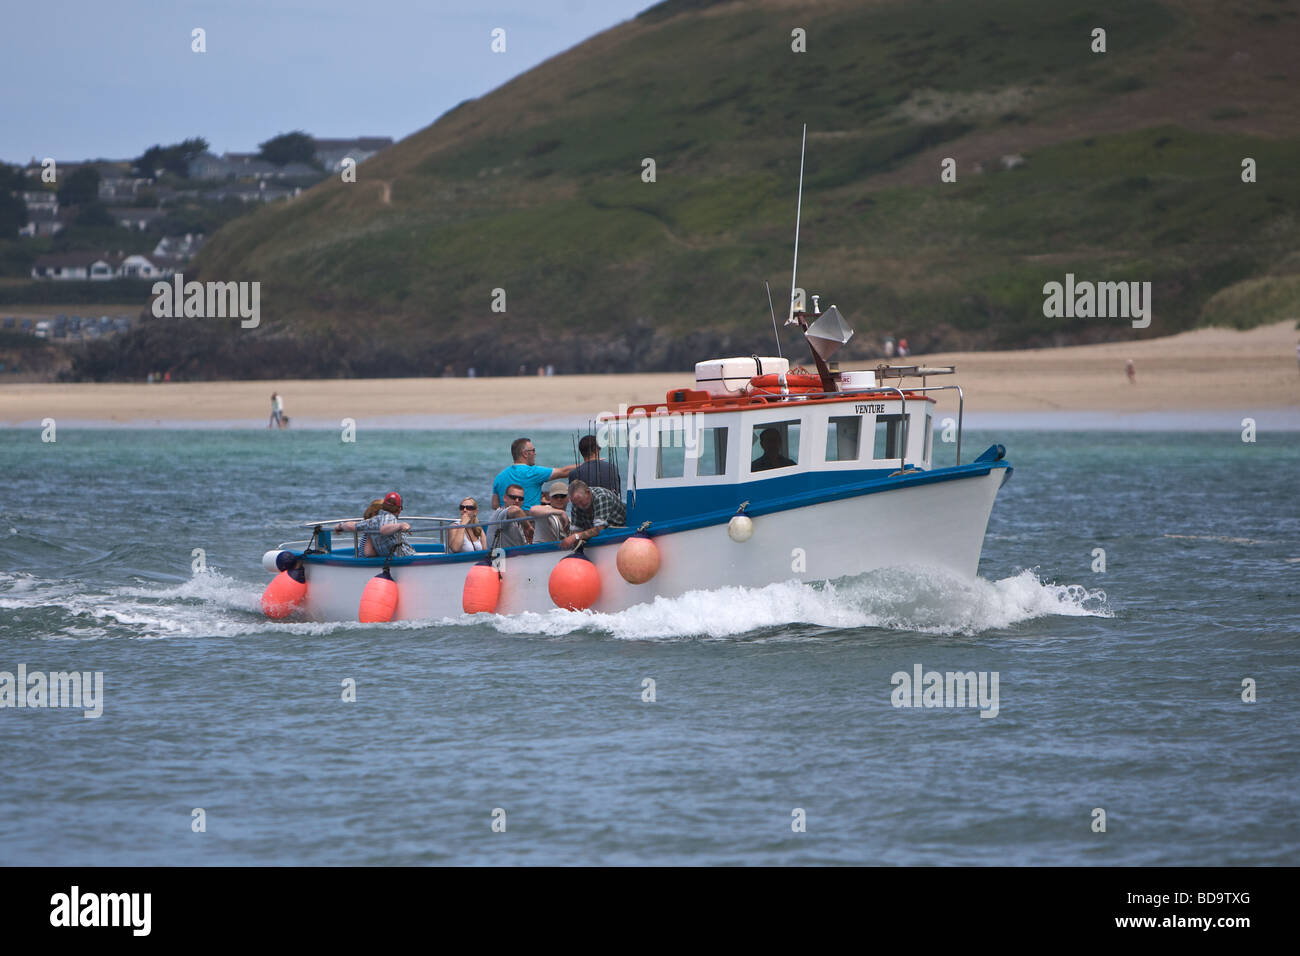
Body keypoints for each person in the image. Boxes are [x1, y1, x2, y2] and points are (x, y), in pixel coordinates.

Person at [491, 437, 577, 509]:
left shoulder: (499, 477)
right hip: (531, 523)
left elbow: (494, 505)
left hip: (507, 523)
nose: (535, 453)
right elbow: (564, 472)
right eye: (533, 450)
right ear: (525, 453)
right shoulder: (533, 472)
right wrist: (588, 463)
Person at [334, 492, 415, 558]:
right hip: (405, 557)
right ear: (399, 509)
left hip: (388, 558)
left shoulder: (372, 521)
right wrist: (401, 525)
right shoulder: (391, 518)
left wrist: (339, 526)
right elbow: (384, 529)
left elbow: (352, 526)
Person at [560, 479, 625, 549]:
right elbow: (575, 530)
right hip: (597, 536)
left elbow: (599, 529)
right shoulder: (576, 504)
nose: (579, 506)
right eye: (576, 504)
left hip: (619, 533)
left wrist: (576, 536)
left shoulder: (601, 497)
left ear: (588, 492)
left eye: (581, 502)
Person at [485, 484, 533, 548]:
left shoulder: (519, 520)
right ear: (505, 498)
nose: (517, 500)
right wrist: (528, 527)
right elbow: (515, 510)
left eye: (520, 498)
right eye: (513, 497)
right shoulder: (499, 514)